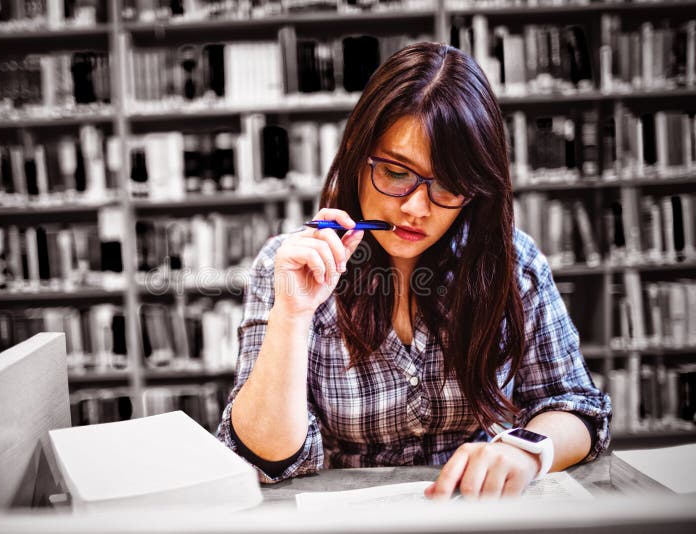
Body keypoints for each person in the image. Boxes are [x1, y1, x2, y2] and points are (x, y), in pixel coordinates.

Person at [215, 42, 611, 499]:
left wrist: (527, 450)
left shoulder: (513, 263)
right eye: (397, 173)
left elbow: (579, 409)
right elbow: (263, 458)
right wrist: (293, 314)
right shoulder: (290, 263)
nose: (416, 208)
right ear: (355, 155)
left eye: (448, 184)